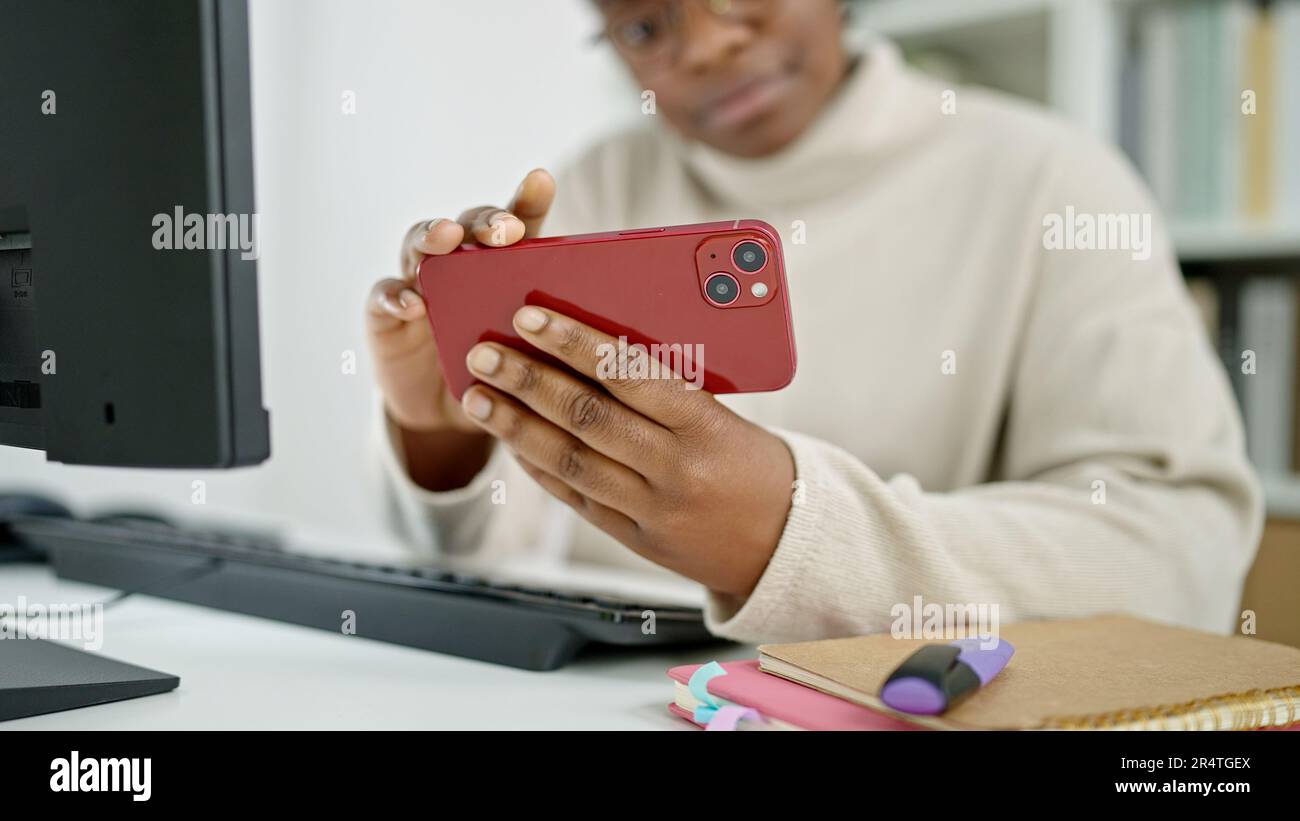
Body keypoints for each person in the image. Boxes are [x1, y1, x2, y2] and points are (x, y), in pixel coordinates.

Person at [365, 0, 1261, 643]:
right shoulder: (600, 183)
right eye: (645, 26)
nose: (710, 41)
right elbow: (510, 566)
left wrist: (790, 536)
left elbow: (1177, 557)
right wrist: (447, 440)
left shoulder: (1056, 182)